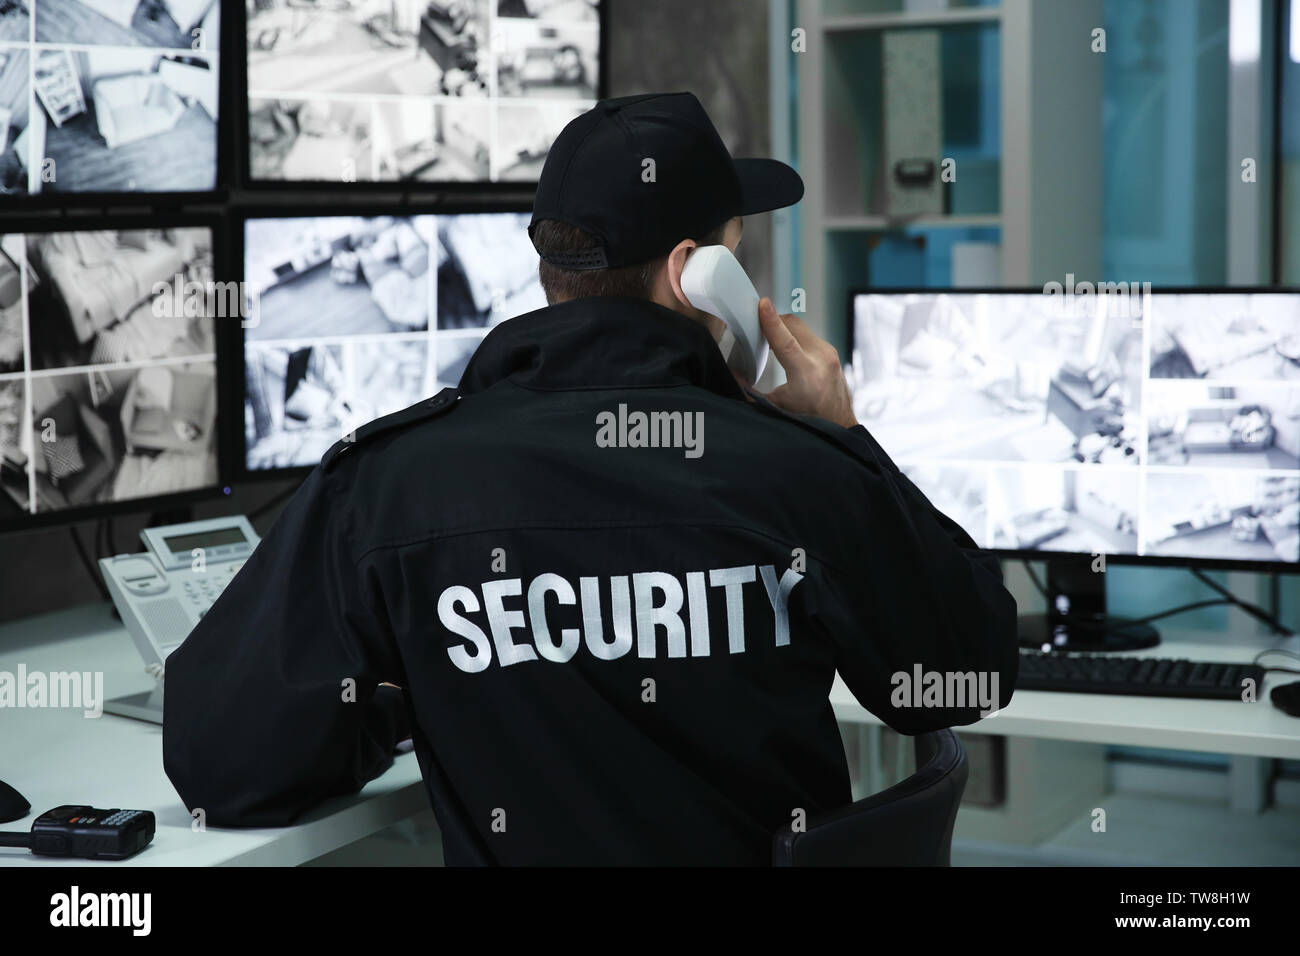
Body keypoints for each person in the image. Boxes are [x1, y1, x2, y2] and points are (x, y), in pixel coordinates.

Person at [163, 91, 1018, 865]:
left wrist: (405, 697)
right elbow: (971, 665)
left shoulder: (389, 481)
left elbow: (222, 765)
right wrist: (846, 437)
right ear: (699, 277)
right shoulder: (793, 471)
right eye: (736, 253)